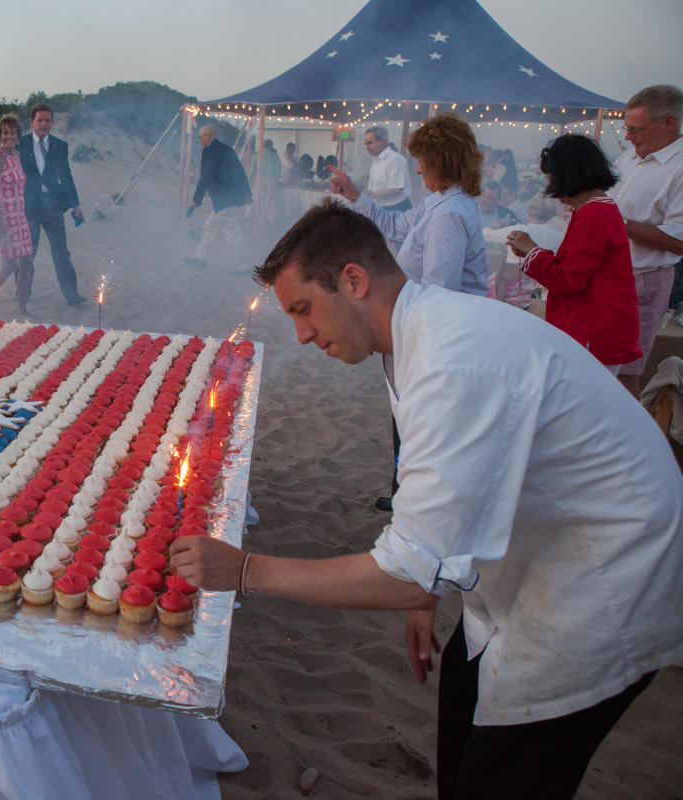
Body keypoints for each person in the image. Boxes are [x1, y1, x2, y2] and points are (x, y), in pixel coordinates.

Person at [171, 198, 683, 800]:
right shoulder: (413, 332)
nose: (302, 336)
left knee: (504, 776)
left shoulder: (452, 360)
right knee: (460, 722)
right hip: (529, 562)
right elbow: (443, 494)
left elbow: (409, 574)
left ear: (353, 281)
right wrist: (428, 589)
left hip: (602, 587)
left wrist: (247, 570)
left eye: (303, 310)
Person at [328, 112, 488, 511]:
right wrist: (355, 195)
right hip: (417, 330)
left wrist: (395, 320)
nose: (417, 170)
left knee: (421, 420)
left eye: (423, 162)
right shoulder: (439, 202)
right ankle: (405, 493)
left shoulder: (449, 214)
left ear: (442, 162)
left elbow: (438, 291)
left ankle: (414, 499)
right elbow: (396, 225)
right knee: (408, 418)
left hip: (432, 337)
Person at [507, 135, 641, 375]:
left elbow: (569, 279)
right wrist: (531, 251)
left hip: (593, 332)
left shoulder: (594, 214)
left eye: (552, 181)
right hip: (599, 329)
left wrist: (532, 250)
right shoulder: (597, 209)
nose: (551, 190)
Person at [609, 84, 683, 397]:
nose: (628, 137)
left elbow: (679, 242)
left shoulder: (679, 167)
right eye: (626, 128)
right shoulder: (627, 158)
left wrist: (618, 222)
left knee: (625, 372)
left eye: (636, 129)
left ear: (668, 122)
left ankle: (628, 426)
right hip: (607, 275)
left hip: (643, 280)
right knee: (599, 363)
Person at [17, 103, 86, 306]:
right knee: (27, 253)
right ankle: (23, 293)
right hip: (28, 206)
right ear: (32, 122)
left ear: (52, 122)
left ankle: (72, 295)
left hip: (53, 205)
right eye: (40, 120)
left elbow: (66, 176)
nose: (44, 124)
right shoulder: (20, 144)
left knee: (61, 252)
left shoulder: (60, 145)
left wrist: (75, 204)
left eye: (47, 120)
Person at [0, 114, 34, 316]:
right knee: (8, 264)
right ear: (0, 135)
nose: (9, 136)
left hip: (19, 216)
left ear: (18, 134)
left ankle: (22, 307)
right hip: (3, 216)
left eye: (12, 132)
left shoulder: (17, 155)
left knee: (26, 262)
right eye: (5, 133)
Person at [185, 125, 252, 271]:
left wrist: (195, 200)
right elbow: (240, 172)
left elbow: (205, 178)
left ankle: (244, 265)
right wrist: (247, 193)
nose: (199, 140)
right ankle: (200, 258)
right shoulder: (227, 149)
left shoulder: (209, 151)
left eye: (201, 137)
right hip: (225, 198)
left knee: (233, 233)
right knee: (209, 229)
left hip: (223, 199)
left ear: (209, 136)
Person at [484, 193, 562, 308]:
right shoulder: (560, 237)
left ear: (529, 211)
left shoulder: (517, 231)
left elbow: (484, 234)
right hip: (541, 296)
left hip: (509, 294)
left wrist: (496, 225)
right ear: (552, 213)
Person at [362, 126, 411, 212]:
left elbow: (396, 188)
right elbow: (372, 189)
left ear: (382, 141)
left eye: (369, 143)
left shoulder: (396, 159)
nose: (367, 147)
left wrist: (372, 195)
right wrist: (359, 195)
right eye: (365, 144)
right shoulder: (375, 161)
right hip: (381, 207)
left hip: (397, 208)